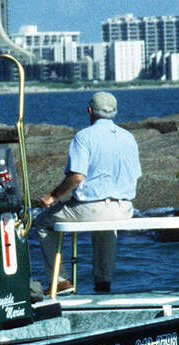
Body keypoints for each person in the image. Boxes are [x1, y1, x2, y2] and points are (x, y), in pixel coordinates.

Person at [32, 91, 141, 293]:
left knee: (42, 223)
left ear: (90, 111)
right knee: (106, 227)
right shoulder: (129, 138)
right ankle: (103, 283)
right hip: (125, 208)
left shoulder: (83, 137)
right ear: (115, 112)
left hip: (92, 209)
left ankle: (60, 281)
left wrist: (52, 197)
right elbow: (135, 175)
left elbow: (76, 177)